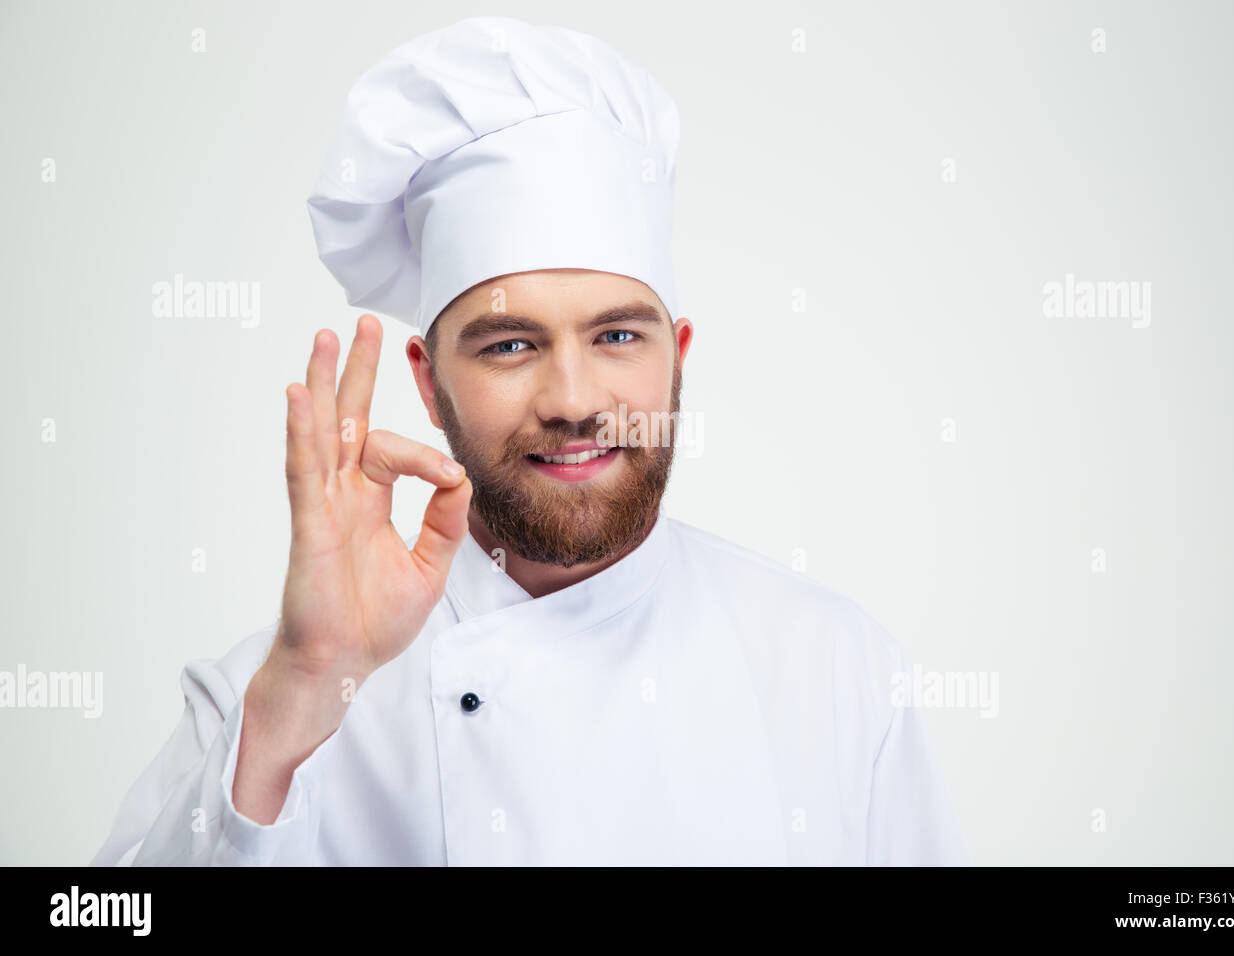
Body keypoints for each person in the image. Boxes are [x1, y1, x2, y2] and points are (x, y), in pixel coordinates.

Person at [91, 15, 969, 866]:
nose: (575, 400)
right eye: (510, 345)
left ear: (679, 357)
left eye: (618, 335)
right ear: (429, 384)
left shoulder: (839, 672)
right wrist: (300, 698)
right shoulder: (276, 692)